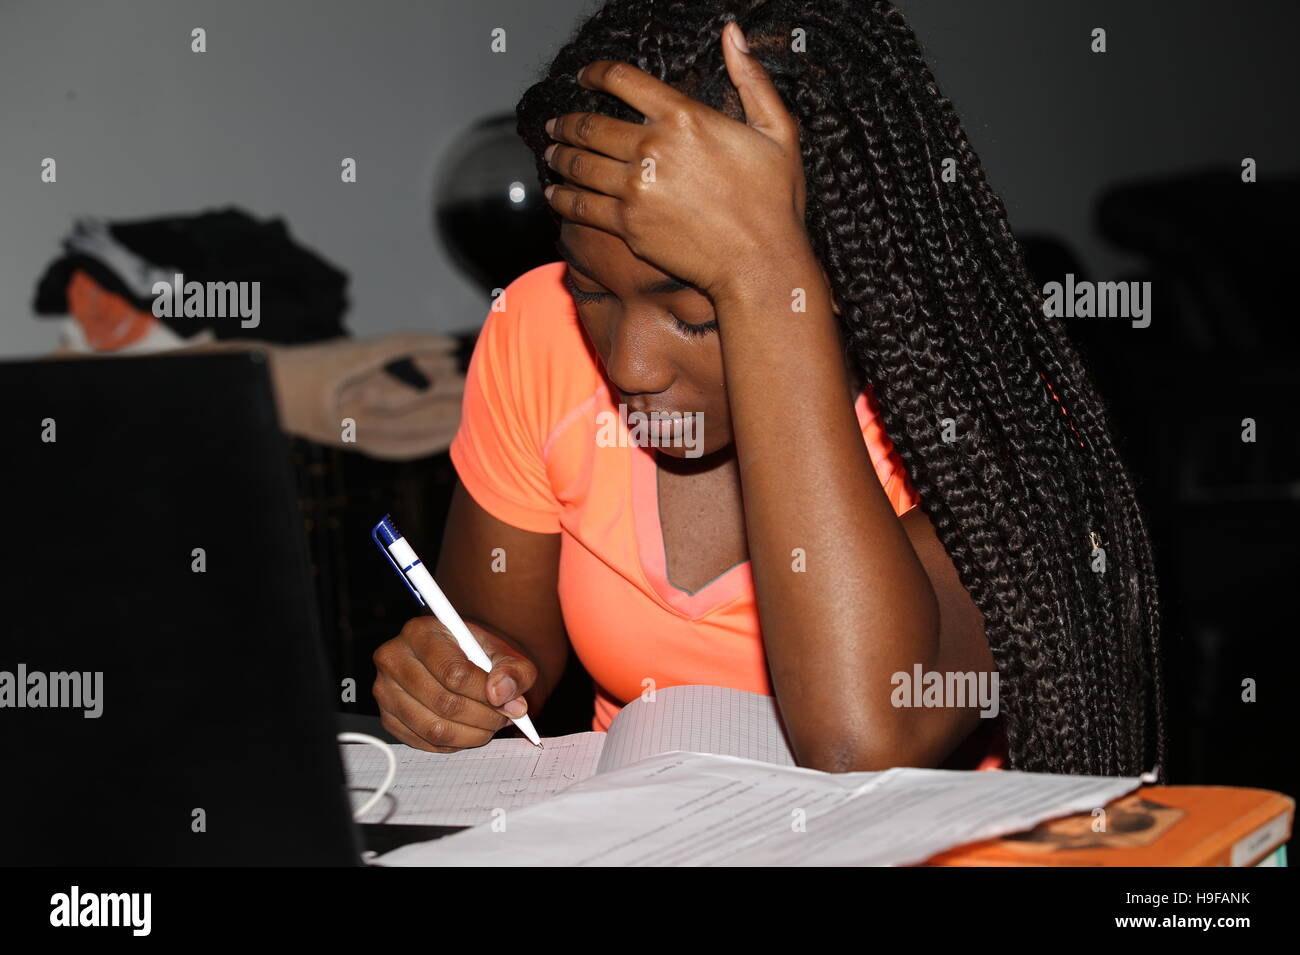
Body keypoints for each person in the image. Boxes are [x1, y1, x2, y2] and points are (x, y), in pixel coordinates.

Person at [372, 0, 1166, 777]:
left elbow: (862, 742)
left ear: (854, 277)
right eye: (595, 293)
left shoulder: (981, 415)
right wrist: (466, 675)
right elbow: (507, 637)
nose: (630, 367)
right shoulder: (537, 332)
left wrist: (760, 277)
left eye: (696, 313)